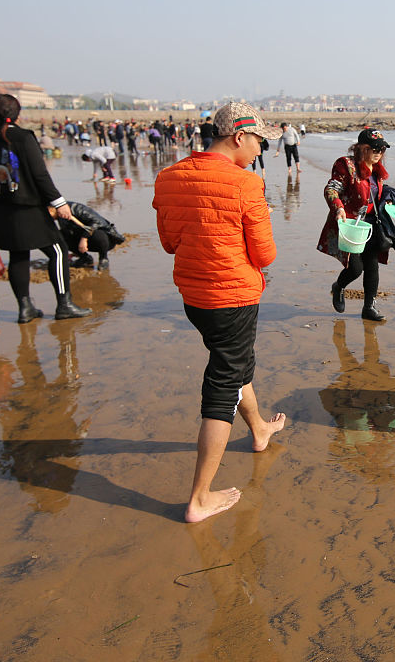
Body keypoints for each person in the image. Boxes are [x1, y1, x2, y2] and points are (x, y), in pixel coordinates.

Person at [152, 101, 286, 523]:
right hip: (233, 297)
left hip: (194, 298)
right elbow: (265, 253)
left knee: (232, 361)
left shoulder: (168, 177)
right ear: (239, 136)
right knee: (223, 382)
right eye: (260, 141)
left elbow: (170, 242)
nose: (261, 150)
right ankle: (199, 497)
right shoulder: (246, 185)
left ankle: (260, 429)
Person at [0, 93, 92, 324]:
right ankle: (64, 304)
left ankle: (25, 308)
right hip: (26, 206)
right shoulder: (21, 136)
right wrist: (59, 203)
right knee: (57, 251)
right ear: (16, 113)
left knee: (18, 255)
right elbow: (39, 173)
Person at [317, 127, 395, 322]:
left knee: (372, 267)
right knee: (355, 268)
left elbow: (374, 195)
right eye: (374, 149)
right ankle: (339, 287)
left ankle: (369, 307)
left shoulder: (377, 171)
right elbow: (331, 189)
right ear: (362, 148)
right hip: (350, 224)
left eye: (381, 149)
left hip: (370, 226)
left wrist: (388, 202)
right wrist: (338, 208)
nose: (378, 153)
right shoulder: (346, 165)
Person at [53, 200, 125, 271]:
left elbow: (97, 222)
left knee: (98, 234)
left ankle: (103, 258)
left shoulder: (76, 208)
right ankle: (85, 258)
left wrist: (84, 239)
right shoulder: (60, 216)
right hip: (83, 240)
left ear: (52, 209)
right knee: (57, 236)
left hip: (105, 240)